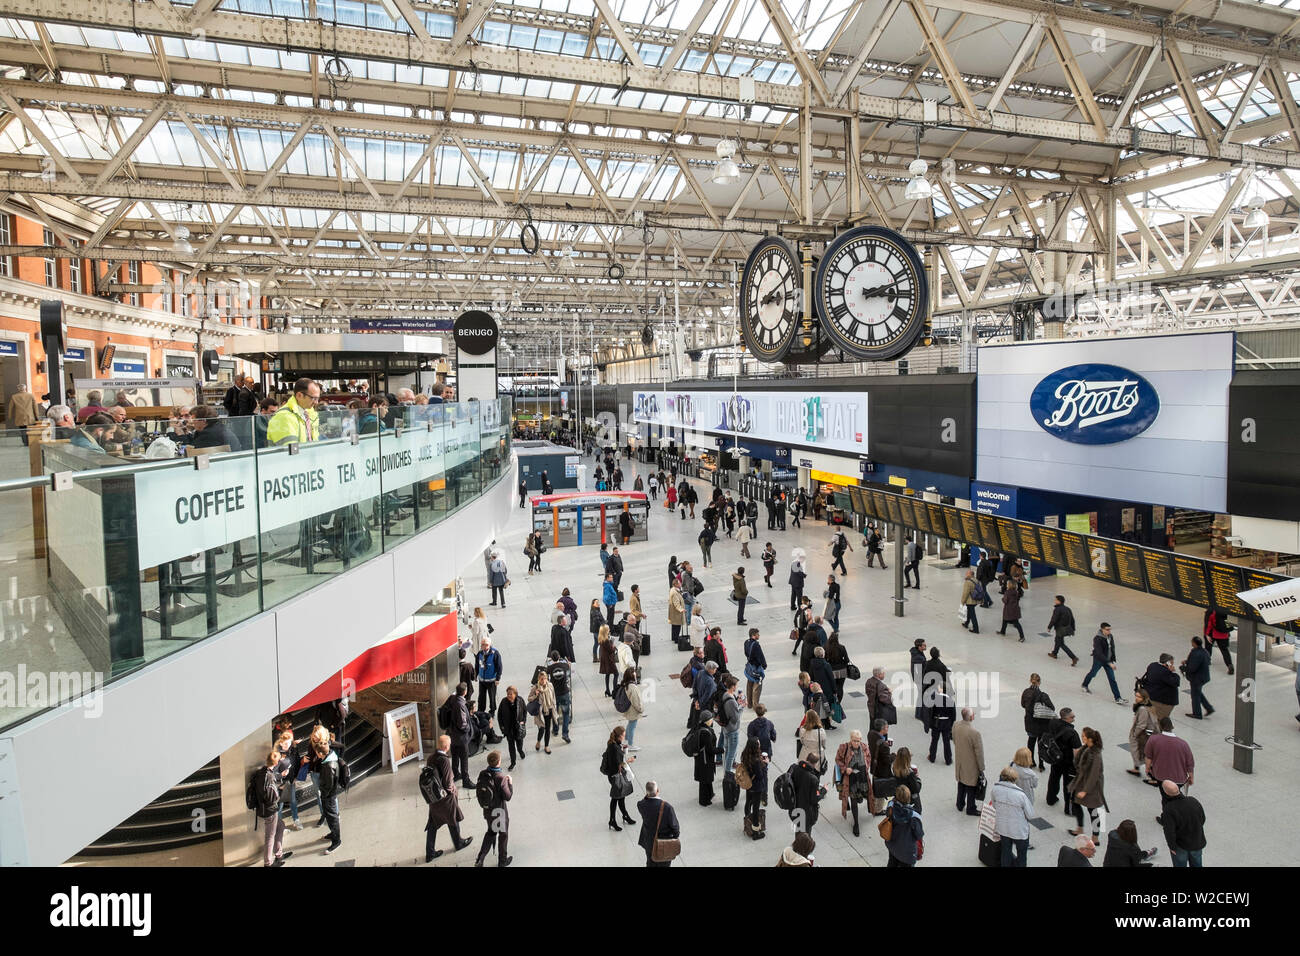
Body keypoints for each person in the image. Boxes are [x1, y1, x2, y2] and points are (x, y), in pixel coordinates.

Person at [424, 735, 473, 861]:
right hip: (445, 798)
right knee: (453, 818)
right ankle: (458, 843)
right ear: (446, 747)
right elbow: (447, 781)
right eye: (449, 744)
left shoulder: (431, 758)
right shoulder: (444, 760)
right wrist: (452, 792)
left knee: (433, 823)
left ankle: (430, 853)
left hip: (433, 798)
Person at [473, 751, 513, 867]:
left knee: (491, 832)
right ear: (499, 762)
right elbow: (508, 796)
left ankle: (480, 859)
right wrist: (510, 783)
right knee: (503, 835)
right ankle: (502, 861)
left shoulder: (482, 774)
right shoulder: (501, 778)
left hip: (488, 810)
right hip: (499, 812)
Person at [253, 749, 290, 867]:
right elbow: (271, 797)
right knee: (270, 836)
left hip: (263, 808)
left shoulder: (261, 772)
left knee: (281, 825)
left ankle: (279, 854)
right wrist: (280, 790)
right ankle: (268, 863)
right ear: (275, 763)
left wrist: (280, 776)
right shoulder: (269, 777)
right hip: (270, 810)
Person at [1068, 727, 1106, 843]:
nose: (1082, 737)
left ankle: (1095, 837)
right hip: (1081, 781)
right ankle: (1080, 828)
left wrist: (1085, 790)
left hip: (1092, 786)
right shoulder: (1085, 749)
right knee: (1075, 803)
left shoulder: (1096, 755)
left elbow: (1094, 775)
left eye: (1083, 736)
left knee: (1093, 810)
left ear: (1090, 739)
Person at [991, 767, 1034, 867]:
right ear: (1015, 779)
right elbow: (1030, 815)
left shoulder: (995, 790)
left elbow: (994, 806)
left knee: (1006, 851)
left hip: (1003, 828)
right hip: (1019, 831)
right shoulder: (1020, 795)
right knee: (1022, 855)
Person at [1160, 780, 1206, 867]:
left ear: (1166, 792)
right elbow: (1202, 819)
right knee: (1197, 864)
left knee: (1180, 864)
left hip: (1180, 846)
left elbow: (1169, 831)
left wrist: (1172, 846)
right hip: (1197, 842)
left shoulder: (1169, 809)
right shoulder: (1193, 801)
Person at [835, 729, 872, 838]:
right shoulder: (844, 747)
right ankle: (856, 823)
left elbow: (868, 757)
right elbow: (838, 760)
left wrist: (867, 766)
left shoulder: (864, 747)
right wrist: (845, 769)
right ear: (850, 739)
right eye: (854, 740)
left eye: (858, 741)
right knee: (854, 799)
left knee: (864, 796)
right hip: (850, 778)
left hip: (862, 777)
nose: (856, 743)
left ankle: (867, 808)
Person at [1145, 717, 1194, 798]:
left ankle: (1169, 808)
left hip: (1161, 776)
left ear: (1160, 727)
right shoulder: (1183, 744)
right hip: (1179, 778)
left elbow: (1148, 756)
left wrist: (1147, 769)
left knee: (1165, 796)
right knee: (1175, 796)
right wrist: (1191, 776)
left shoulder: (1153, 739)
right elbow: (1190, 763)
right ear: (1172, 727)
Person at [1044, 707, 1081, 812]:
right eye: (1072, 717)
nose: (1074, 718)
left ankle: (1050, 799)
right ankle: (1069, 809)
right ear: (1066, 718)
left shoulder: (1053, 723)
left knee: (1053, 779)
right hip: (1068, 762)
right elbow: (1077, 751)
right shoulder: (1072, 733)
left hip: (1055, 757)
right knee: (1068, 786)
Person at [310, 737, 343, 854]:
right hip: (329, 795)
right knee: (330, 817)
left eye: (316, 753)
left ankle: (336, 840)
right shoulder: (329, 758)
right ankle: (333, 833)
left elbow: (328, 785)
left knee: (332, 818)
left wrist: (323, 794)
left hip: (329, 796)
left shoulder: (329, 766)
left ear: (320, 753)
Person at [602, 726, 638, 831]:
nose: (624, 736)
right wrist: (629, 760)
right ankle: (613, 820)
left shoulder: (614, 744)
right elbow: (618, 764)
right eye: (623, 735)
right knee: (616, 797)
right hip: (615, 776)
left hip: (614, 775)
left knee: (620, 796)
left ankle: (624, 816)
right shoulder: (614, 748)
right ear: (619, 736)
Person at [637, 781, 681, 867]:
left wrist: (648, 795)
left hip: (649, 842)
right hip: (664, 843)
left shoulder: (641, 805)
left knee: (650, 863)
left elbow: (644, 800)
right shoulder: (667, 807)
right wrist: (675, 836)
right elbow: (675, 827)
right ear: (658, 790)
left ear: (647, 792)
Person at [1081, 623, 1127, 704]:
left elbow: (1112, 647)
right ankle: (1084, 685)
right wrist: (1109, 662)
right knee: (1093, 673)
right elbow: (1099, 653)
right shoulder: (1097, 639)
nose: (1109, 631)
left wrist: (1112, 659)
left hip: (1108, 661)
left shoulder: (1110, 636)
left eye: (1110, 629)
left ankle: (1118, 698)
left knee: (1112, 679)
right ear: (1102, 629)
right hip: (1099, 660)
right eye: (1107, 629)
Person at [266, 377, 321, 445]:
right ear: (299, 395)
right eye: (314, 398)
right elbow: (289, 451)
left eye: (318, 398)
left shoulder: (310, 413)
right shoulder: (284, 417)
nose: (316, 402)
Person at [883, 785, 924, 867]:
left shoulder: (890, 808)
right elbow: (919, 834)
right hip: (907, 852)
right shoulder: (914, 817)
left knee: (892, 862)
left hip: (893, 846)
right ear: (908, 798)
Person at [953, 707, 984, 815]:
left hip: (960, 760)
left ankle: (960, 803)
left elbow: (954, 739)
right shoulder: (975, 733)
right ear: (971, 717)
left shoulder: (956, 725)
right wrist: (981, 767)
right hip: (971, 763)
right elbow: (979, 753)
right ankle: (971, 807)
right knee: (971, 785)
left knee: (961, 782)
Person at [1020, 673, 1054, 769]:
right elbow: (1052, 707)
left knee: (1031, 742)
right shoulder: (1043, 695)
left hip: (1029, 722)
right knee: (1041, 744)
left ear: (1030, 681)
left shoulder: (1026, 692)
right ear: (1039, 682)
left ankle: (1031, 762)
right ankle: (1041, 764)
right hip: (1041, 724)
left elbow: (1022, 704)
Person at [1126, 689, 1159, 778]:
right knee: (1141, 752)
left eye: (1139, 697)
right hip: (1149, 734)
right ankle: (1136, 768)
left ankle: (1152, 775)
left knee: (1141, 751)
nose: (1136, 698)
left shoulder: (1142, 709)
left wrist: (1134, 734)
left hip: (1143, 734)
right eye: (1136, 696)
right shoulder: (1147, 706)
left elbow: (1142, 724)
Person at [446, 684, 473, 788]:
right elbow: (462, 724)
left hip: (453, 735)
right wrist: (468, 729)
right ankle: (466, 781)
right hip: (461, 737)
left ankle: (456, 774)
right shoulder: (460, 704)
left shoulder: (453, 699)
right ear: (465, 691)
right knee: (464, 759)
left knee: (455, 756)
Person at [1140, 652, 1181, 721]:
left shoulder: (1152, 665)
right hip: (1162, 701)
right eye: (1172, 663)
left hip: (1151, 696)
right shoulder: (1164, 672)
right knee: (1161, 720)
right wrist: (1173, 672)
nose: (1173, 665)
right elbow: (1176, 682)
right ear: (1167, 663)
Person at [789, 754, 823, 835]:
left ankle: (797, 845)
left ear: (806, 758)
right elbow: (814, 799)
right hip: (806, 812)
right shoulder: (813, 779)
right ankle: (803, 846)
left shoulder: (794, 768)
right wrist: (824, 790)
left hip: (794, 807)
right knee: (806, 834)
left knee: (798, 830)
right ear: (815, 764)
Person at [693, 710, 722, 806]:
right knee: (704, 780)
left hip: (702, 758)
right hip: (705, 760)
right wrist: (720, 750)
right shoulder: (705, 733)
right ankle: (704, 800)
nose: (712, 720)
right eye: (711, 718)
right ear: (707, 721)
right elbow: (710, 750)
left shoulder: (701, 727)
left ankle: (710, 794)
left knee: (706, 779)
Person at [496, 686, 527, 771]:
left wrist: (523, 721)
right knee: (511, 746)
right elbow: (499, 715)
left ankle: (520, 751)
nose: (509, 695)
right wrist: (502, 727)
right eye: (508, 694)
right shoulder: (504, 702)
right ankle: (513, 762)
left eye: (511, 694)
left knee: (519, 744)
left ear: (515, 694)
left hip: (518, 728)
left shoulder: (520, 700)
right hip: (509, 729)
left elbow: (524, 711)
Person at [1183, 635, 1214, 719]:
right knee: (1198, 692)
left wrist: (1185, 668)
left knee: (1195, 695)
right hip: (1204, 676)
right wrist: (1188, 661)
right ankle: (1209, 708)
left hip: (1197, 678)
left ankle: (1197, 713)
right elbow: (1206, 661)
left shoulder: (1196, 653)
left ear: (1194, 643)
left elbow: (1192, 668)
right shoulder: (1205, 651)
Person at [547, 651, 574, 744]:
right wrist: (567, 662)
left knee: (555, 713)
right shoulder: (564, 666)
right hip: (565, 693)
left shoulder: (550, 668)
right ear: (559, 657)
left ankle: (555, 730)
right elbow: (569, 666)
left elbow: (546, 675)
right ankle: (565, 733)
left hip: (555, 694)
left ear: (551, 658)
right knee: (566, 714)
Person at [528, 670, 557, 754]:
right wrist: (536, 695)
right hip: (540, 712)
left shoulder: (550, 685)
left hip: (549, 710)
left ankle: (546, 746)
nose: (543, 680)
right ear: (538, 679)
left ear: (547, 678)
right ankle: (538, 741)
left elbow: (554, 697)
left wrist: (554, 707)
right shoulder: (535, 687)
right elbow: (529, 699)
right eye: (541, 679)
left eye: (545, 678)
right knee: (542, 729)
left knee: (548, 729)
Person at [617, 667, 645, 750]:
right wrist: (641, 709)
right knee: (632, 726)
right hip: (633, 711)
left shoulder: (627, 684)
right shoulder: (633, 687)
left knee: (630, 724)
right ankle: (630, 744)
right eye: (634, 673)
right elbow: (636, 702)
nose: (636, 674)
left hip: (629, 710)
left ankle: (626, 740)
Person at [475, 637, 503, 716]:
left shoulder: (495, 653)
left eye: (486, 644)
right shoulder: (480, 653)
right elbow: (477, 665)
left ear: (490, 645)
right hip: (482, 680)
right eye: (482, 644)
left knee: (492, 697)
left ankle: (492, 711)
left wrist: (498, 678)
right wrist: (476, 674)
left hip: (491, 681)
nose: (484, 646)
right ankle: (481, 710)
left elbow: (499, 667)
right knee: (481, 697)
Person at [1047, 595, 1078, 664]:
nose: (1054, 601)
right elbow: (1072, 620)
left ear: (1059, 601)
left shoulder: (1057, 609)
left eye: (1055, 600)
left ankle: (1073, 657)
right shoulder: (1068, 608)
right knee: (1058, 640)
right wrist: (1073, 629)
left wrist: (1049, 627)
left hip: (1060, 629)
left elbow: (1054, 619)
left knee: (1061, 643)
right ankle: (1054, 653)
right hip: (1066, 628)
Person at [1203, 607, 1235, 674]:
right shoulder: (1227, 609)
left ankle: (1207, 661)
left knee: (1208, 648)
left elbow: (1208, 624)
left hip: (1212, 633)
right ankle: (1229, 665)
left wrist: (1207, 634)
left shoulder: (1211, 610)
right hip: (1223, 634)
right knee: (1224, 650)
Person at [743, 628, 766, 710]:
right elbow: (760, 656)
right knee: (757, 686)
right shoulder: (756, 645)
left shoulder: (746, 642)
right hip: (756, 667)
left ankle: (749, 703)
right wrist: (764, 665)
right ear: (753, 635)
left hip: (749, 667)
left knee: (749, 683)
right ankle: (756, 706)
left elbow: (746, 653)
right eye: (757, 634)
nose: (759, 635)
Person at [1010, 747, 1039, 812]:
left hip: (1014, 794)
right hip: (1027, 796)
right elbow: (1035, 785)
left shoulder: (1012, 766)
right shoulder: (1032, 775)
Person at [910, 639, 928, 724]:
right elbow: (919, 670)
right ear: (919, 647)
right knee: (921, 696)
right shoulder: (918, 657)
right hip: (920, 680)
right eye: (924, 645)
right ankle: (918, 714)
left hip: (919, 679)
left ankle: (919, 713)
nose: (925, 646)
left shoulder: (918, 653)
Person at [668, 581, 686, 648]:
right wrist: (681, 609)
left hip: (673, 612)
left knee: (674, 625)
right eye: (679, 583)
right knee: (677, 625)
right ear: (676, 584)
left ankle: (674, 637)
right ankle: (676, 639)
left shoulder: (673, 590)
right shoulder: (675, 593)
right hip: (676, 612)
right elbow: (676, 603)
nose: (680, 584)